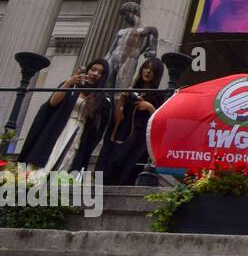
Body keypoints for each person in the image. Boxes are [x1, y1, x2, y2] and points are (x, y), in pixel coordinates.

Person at [16, 59, 112, 174]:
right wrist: (68, 83)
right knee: (50, 155)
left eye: (100, 72)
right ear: (88, 70)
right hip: (58, 125)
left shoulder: (101, 97)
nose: (95, 74)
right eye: (93, 69)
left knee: (67, 159)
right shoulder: (72, 86)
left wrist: (93, 100)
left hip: (79, 130)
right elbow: (52, 103)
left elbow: (95, 122)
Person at [93, 56, 168, 185]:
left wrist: (149, 107)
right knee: (113, 159)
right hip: (122, 132)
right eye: (146, 68)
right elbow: (118, 118)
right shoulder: (132, 90)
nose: (147, 71)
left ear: (157, 74)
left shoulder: (160, 95)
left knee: (129, 165)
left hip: (140, 137)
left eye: (152, 70)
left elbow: (161, 121)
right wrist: (122, 99)